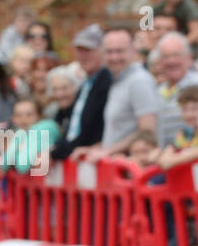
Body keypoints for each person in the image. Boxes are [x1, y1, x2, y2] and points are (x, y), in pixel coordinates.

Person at [79, 26, 161, 161]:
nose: (114, 57)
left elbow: (147, 130)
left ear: (133, 51)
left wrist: (107, 152)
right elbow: (120, 133)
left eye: (120, 51)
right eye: (109, 52)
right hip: (116, 167)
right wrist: (96, 149)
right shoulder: (119, 80)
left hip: (133, 169)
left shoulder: (139, 80)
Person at [49, 25, 111, 162]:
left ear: (102, 51)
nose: (83, 55)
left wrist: (59, 150)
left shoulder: (107, 82)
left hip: (92, 160)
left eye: (89, 50)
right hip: (75, 157)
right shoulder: (85, 83)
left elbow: (92, 130)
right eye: (80, 50)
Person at [153, 31, 198, 145]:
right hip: (165, 156)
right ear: (159, 61)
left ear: (189, 58)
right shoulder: (156, 89)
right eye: (166, 56)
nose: (171, 61)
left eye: (176, 55)